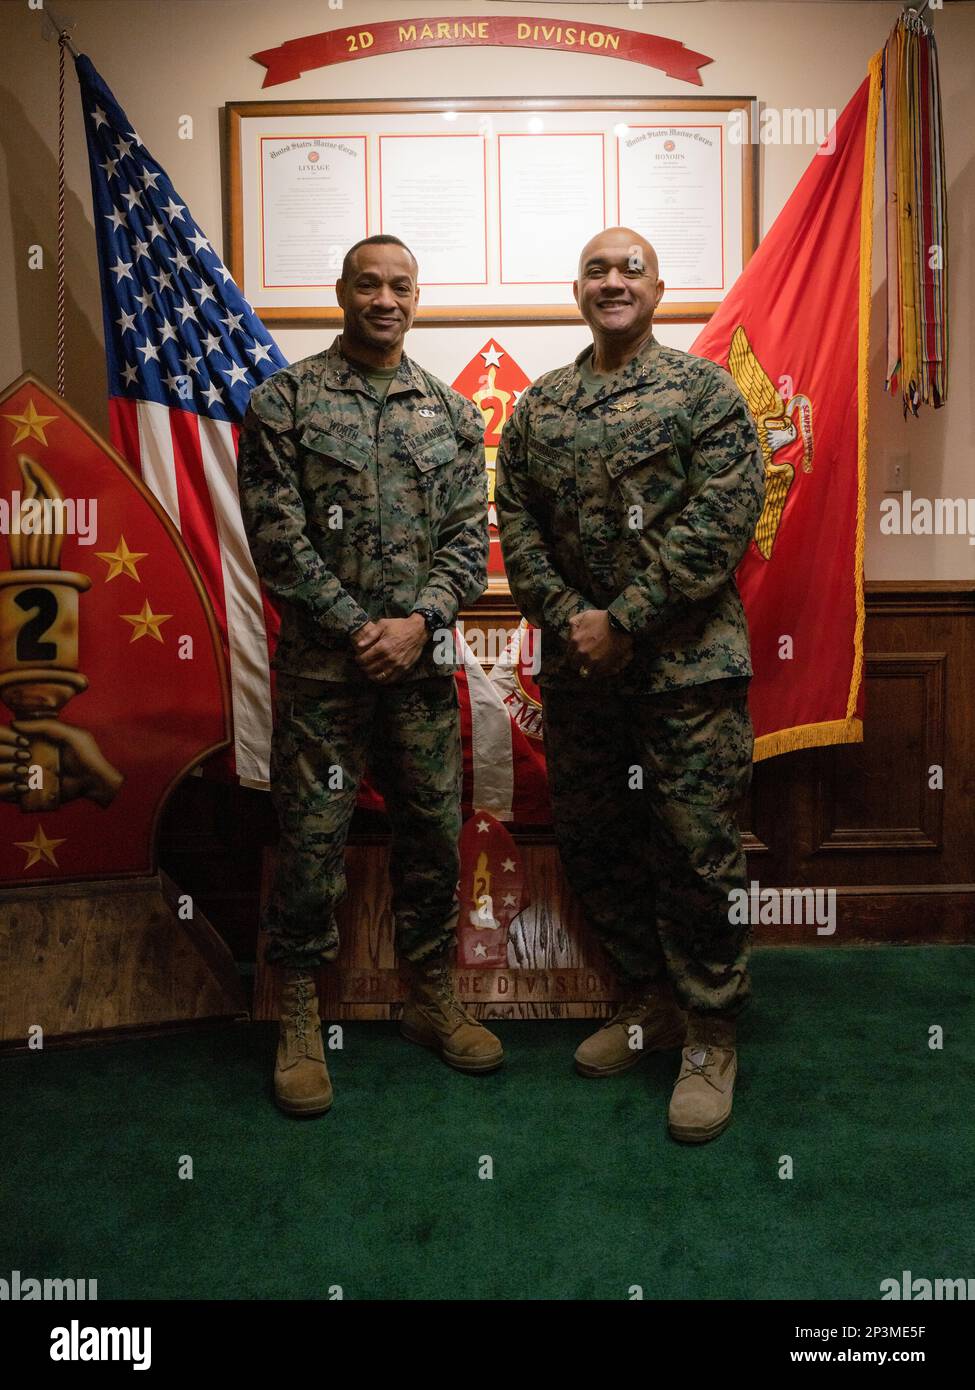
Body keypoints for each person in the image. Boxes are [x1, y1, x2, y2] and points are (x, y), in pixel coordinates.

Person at [495, 226, 765, 1143]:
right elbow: (518, 529)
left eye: (630, 269)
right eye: (597, 269)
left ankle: (710, 1032)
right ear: (577, 288)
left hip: (684, 673)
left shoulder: (704, 393)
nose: (613, 281)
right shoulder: (540, 407)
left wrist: (625, 619)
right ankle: (646, 1000)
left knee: (696, 851)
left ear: (659, 289)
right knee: (597, 839)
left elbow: (723, 518)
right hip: (582, 677)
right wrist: (575, 620)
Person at [237, 234, 503, 1116]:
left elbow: (471, 539)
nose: (384, 299)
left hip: (420, 675)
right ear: (341, 293)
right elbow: (276, 537)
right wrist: (359, 628)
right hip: (325, 676)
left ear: (416, 296)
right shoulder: (286, 402)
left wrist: (419, 621)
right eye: (367, 284)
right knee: (312, 843)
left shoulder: (453, 413)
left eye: (399, 286)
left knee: (432, 835)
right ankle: (300, 1013)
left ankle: (430, 997)